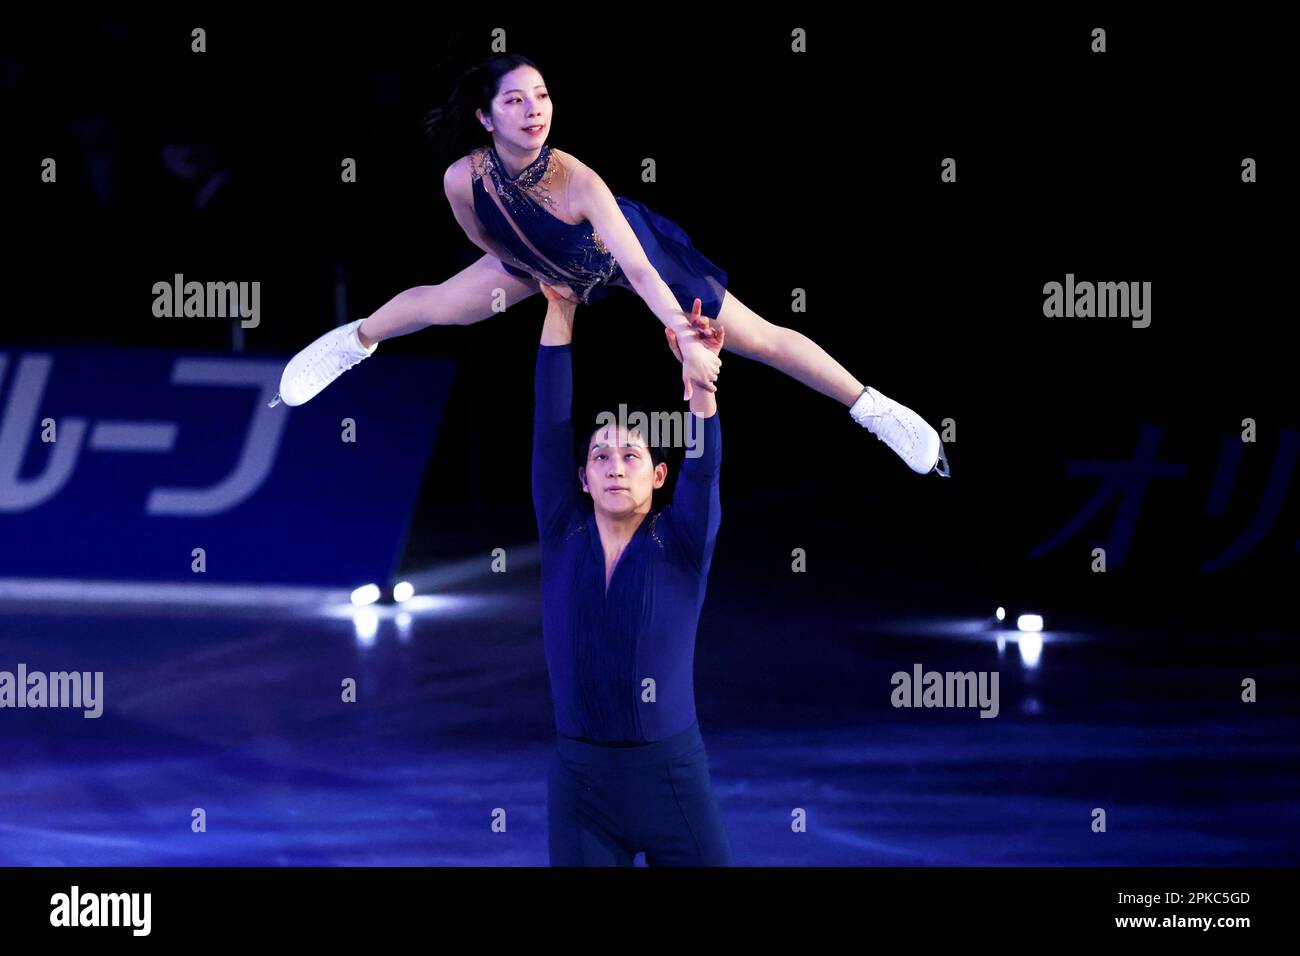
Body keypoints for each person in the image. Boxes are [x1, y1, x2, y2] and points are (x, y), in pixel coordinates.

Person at [270, 54, 949, 477]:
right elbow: (479, 234)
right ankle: (350, 344)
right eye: (514, 100)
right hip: (537, 259)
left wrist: (684, 335)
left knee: (761, 339)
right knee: (440, 304)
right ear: (485, 117)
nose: (533, 109)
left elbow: (645, 274)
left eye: (541, 96)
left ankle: (873, 408)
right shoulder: (460, 178)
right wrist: (524, 273)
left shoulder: (579, 182)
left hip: (628, 255)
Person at [534, 278, 732, 865]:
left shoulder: (683, 542)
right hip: (581, 788)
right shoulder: (561, 534)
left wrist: (699, 379)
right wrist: (559, 309)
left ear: (658, 477)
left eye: (631, 456)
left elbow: (706, 467)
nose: (615, 468)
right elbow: (550, 426)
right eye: (600, 457)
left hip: (672, 782)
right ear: (583, 479)